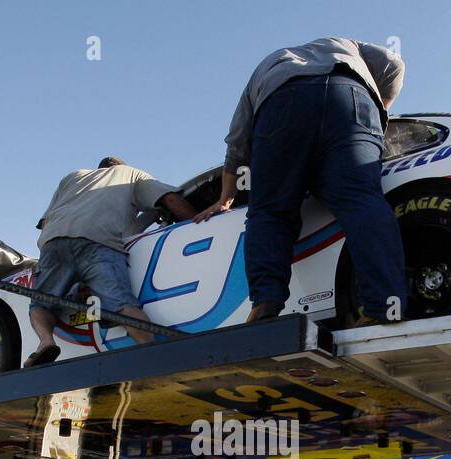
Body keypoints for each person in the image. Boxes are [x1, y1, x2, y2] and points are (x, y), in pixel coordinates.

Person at [195, 38, 408, 326]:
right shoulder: (346, 45)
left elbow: (237, 143)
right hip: (352, 99)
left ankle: (266, 304)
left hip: (281, 104)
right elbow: (394, 64)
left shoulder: (268, 65)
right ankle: (385, 306)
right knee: (361, 200)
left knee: (270, 212)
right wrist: (380, 105)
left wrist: (225, 198)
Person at [29, 157, 196, 365]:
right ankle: (153, 354)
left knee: (39, 303)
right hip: (99, 242)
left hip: (53, 243)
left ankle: (46, 342)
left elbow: (46, 222)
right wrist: (197, 223)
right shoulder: (130, 174)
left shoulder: (73, 177)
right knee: (122, 304)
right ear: (120, 167)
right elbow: (170, 200)